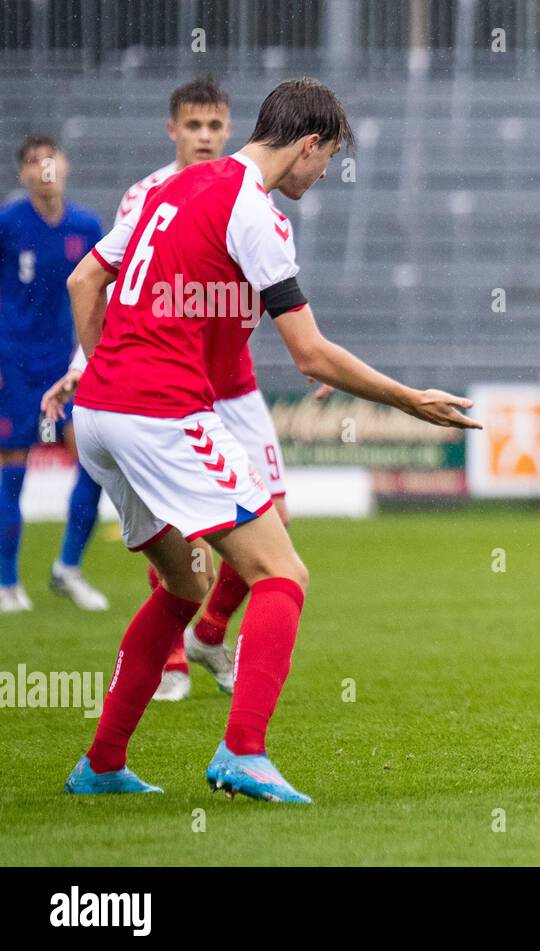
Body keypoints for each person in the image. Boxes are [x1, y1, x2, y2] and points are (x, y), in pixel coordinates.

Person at [63, 78, 480, 802]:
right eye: (328, 160)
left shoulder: (177, 187)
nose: (324, 177)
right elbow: (311, 355)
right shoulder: (251, 211)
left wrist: (105, 373)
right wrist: (411, 399)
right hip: (159, 414)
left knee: (183, 583)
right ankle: (242, 753)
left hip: (98, 414)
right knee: (283, 575)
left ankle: (100, 765)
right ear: (309, 145)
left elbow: (84, 279)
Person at [43, 75, 327, 702]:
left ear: (231, 129)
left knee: (271, 520)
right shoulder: (149, 195)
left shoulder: (263, 209)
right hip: (165, 392)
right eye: (192, 126)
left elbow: (273, 300)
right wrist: (91, 364)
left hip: (234, 386)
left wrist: (314, 358)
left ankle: (210, 634)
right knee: (186, 542)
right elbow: (110, 282)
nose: (204, 136)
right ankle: (172, 663)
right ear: (173, 130)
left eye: (214, 126)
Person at [0, 134, 109, 613]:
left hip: (68, 365)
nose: (43, 167)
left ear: (64, 166)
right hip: (12, 364)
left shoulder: (87, 227)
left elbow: (102, 292)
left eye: (50, 158)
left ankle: (67, 567)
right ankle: (7, 584)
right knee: (12, 471)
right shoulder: (7, 225)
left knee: (96, 461)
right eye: (32, 161)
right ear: (22, 174)